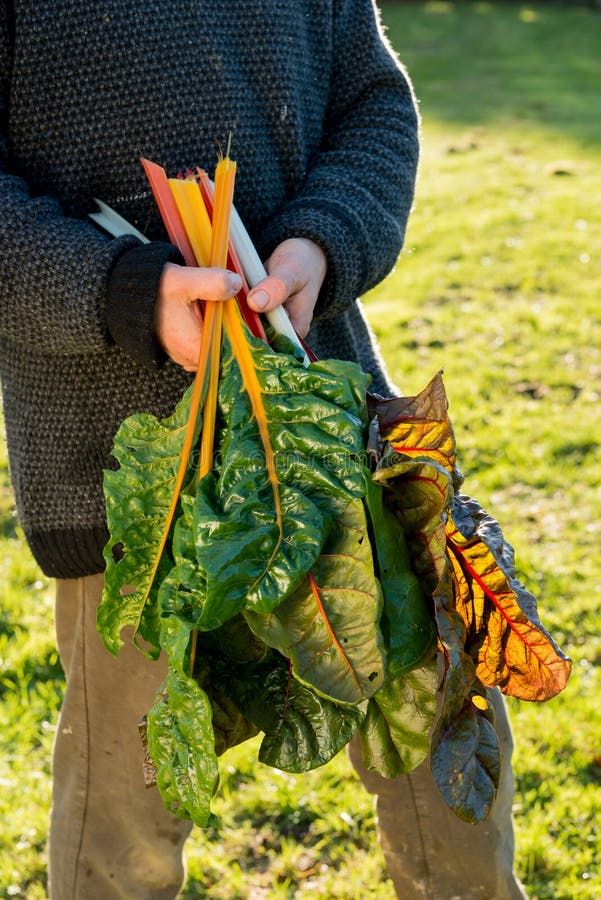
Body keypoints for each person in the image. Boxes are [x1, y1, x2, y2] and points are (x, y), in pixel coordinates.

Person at [0, 1, 527, 897]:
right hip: (122, 473)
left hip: (324, 412)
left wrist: (321, 241)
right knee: (123, 814)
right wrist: (125, 292)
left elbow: (372, 103)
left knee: (447, 761)